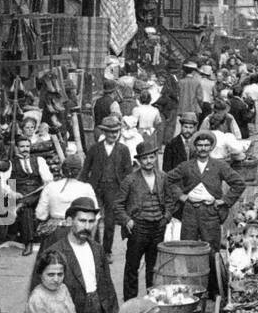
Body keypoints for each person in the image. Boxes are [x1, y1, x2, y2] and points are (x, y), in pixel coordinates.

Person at [28, 197, 118, 313]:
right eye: (82, 221)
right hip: (68, 312)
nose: (87, 226)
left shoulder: (97, 249)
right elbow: (37, 289)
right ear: (70, 221)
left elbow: (107, 287)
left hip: (95, 310)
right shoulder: (55, 252)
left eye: (91, 222)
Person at [165, 131, 246, 252]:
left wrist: (224, 201)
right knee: (188, 248)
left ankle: (212, 271)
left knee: (212, 248)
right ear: (195, 147)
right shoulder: (186, 166)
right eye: (200, 145)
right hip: (189, 211)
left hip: (210, 212)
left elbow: (239, 183)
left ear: (211, 147)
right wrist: (181, 196)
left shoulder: (219, 166)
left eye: (206, 145)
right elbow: (167, 180)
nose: (203, 148)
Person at [115, 142, 171, 299]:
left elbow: (170, 200)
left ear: (155, 158)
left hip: (158, 227)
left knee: (153, 267)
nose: (148, 161)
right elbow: (117, 204)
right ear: (139, 161)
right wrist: (127, 220)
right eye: (145, 158)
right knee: (132, 266)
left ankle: (151, 300)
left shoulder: (162, 177)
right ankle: (130, 302)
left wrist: (166, 217)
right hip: (138, 228)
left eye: (151, 157)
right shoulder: (130, 180)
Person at [80, 116, 133, 256]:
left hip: (114, 189)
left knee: (110, 221)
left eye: (116, 131)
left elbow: (128, 173)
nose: (114, 135)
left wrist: (128, 191)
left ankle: (107, 251)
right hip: (95, 187)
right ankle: (94, 248)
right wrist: (80, 187)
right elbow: (85, 169)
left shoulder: (123, 150)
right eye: (110, 132)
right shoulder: (94, 148)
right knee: (94, 218)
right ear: (104, 132)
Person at [35, 156, 97, 242]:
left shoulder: (50, 187)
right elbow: (95, 215)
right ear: (80, 171)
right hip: (78, 231)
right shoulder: (86, 188)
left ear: (62, 170)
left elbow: (40, 214)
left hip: (54, 232)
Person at [9, 136, 52, 256]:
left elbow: (48, 179)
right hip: (21, 194)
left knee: (39, 195)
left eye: (27, 146)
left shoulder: (38, 160)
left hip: (37, 193)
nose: (25, 149)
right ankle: (29, 243)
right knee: (26, 209)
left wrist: (44, 189)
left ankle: (23, 203)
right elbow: (3, 182)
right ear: (17, 148)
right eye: (22, 146)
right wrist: (12, 193)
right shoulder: (11, 163)